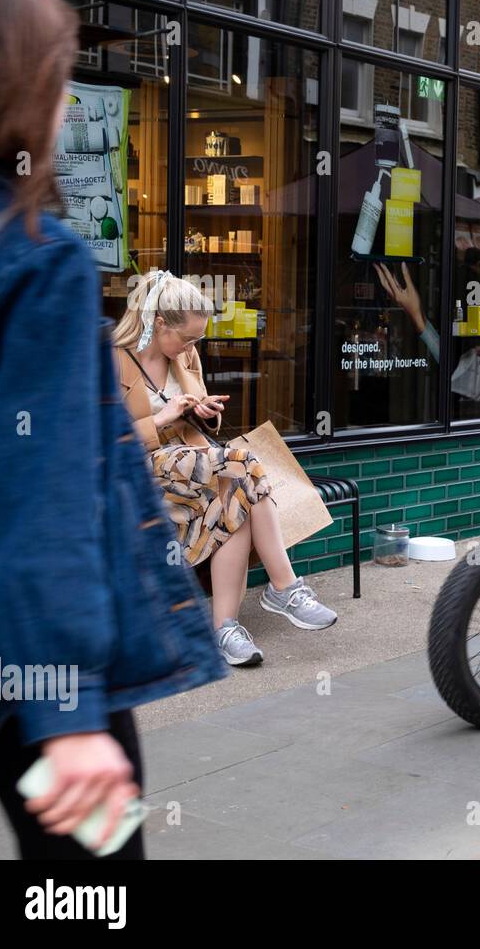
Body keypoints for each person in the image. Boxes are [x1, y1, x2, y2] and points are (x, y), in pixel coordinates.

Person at [0, 0, 226, 859]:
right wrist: (68, 710)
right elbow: (40, 497)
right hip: (19, 646)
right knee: (88, 892)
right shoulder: (31, 256)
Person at [113, 270, 338, 666]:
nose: (192, 346)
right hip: (137, 471)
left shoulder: (184, 354)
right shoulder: (112, 361)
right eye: (188, 338)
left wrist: (203, 411)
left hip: (194, 466)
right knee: (242, 466)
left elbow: (198, 420)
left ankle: (225, 629)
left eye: (197, 339)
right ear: (159, 323)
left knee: (235, 499)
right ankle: (284, 587)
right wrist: (163, 418)